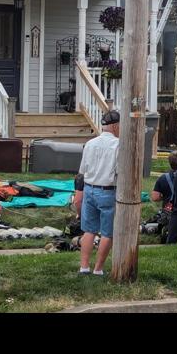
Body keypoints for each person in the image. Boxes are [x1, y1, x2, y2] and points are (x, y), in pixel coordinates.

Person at [71, 109, 122, 275]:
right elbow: (119, 170)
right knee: (107, 233)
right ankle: (98, 269)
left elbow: (82, 170)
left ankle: (84, 267)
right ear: (115, 126)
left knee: (89, 231)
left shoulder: (90, 143)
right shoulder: (118, 145)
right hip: (107, 191)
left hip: (89, 189)